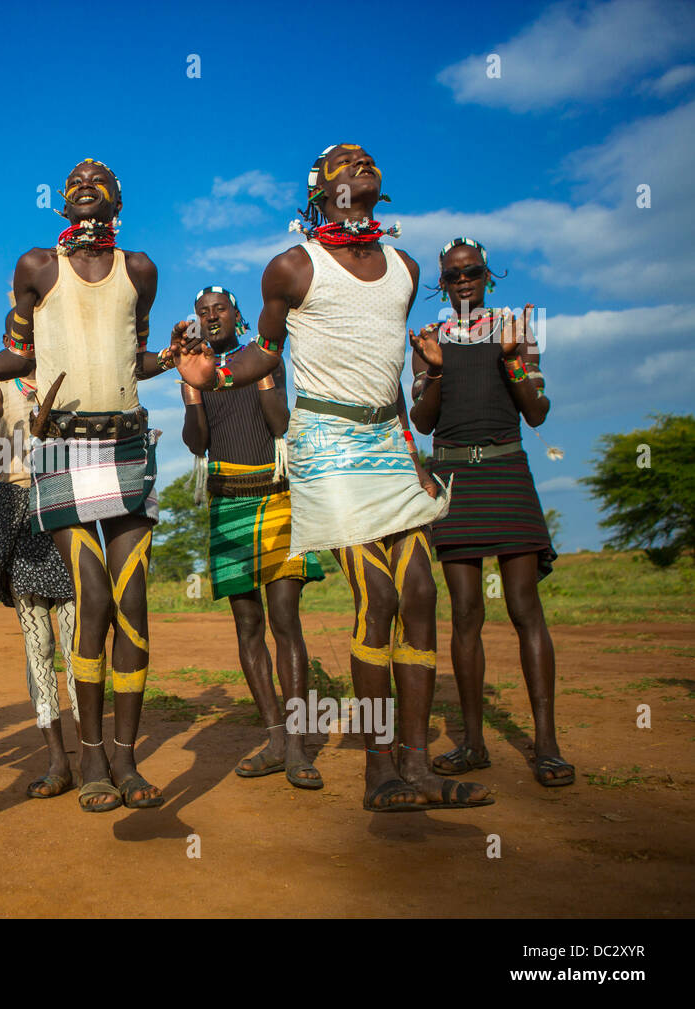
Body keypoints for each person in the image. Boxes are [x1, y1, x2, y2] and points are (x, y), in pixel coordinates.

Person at [176, 144, 492, 812]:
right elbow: (266, 350)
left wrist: (411, 450)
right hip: (325, 440)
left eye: (369, 159)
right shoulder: (292, 268)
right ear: (320, 191)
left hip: (385, 439)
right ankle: (380, 769)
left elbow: (385, 375)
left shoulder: (404, 269)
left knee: (420, 594)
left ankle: (417, 762)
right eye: (346, 163)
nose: (362, 165)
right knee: (377, 592)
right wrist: (216, 375)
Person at [0, 158, 186, 812]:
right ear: (61, 203)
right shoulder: (37, 267)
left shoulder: (141, 269)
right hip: (62, 448)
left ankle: (125, 760)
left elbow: (135, 357)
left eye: (101, 176)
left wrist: (176, 359)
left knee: (134, 602)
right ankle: (90, 758)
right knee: (91, 598)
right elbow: (21, 356)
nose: (87, 180)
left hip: (126, 444)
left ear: (119, 197)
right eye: (74, 179)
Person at [409, 237, 572, 787]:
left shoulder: (517, 329)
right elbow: (425, 422)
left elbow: (538, 412)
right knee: (466, 614)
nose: (462, 282)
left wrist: (511, 362)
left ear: (487, 276)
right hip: (454, 482)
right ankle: (474, 743)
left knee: (525, 608)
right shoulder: (429, 338)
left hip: (506, 473)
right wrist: (433, 371)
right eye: (452, 276)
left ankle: (547, 745)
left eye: (471, 272)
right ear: (441, 281)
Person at [179, 286, 325, 788]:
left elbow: (280, 424)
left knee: (285, 619)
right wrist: (191, 389)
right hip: (227, 501)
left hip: (276, 497)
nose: (210, 316)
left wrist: (264, 378)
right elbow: (196, 442)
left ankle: (300, 745)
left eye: (219, 309)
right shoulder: (194, 367)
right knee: (247, 625)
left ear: (237, 315)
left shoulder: (261, 356)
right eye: (202, 312)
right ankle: (276, 737)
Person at [0, 312, 77, 798]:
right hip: (14, 502)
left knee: (78, 642)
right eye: (20, 334)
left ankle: (92, 752)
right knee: (39, 644)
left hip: (65, 503)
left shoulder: (70, 376)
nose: (28, 340)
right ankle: (57, 759)